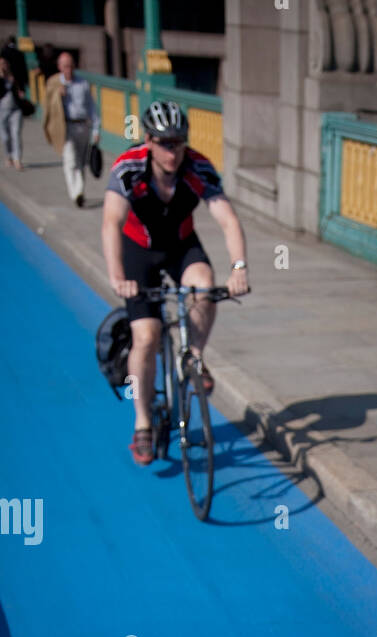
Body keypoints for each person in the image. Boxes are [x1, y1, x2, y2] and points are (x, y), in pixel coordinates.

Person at [101, 99, 250, 465]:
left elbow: (227, 219)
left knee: (204, 285)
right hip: (139, 251)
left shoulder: (197, 166)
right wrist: (118, 277)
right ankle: (142, 423)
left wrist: (239, 268)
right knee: (147, 336)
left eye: (180, 142)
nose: (174, 151)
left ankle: (193, 358)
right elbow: (110, 223)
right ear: (149, 141)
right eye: (166, 143)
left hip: (181, 245)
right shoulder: (128, 168)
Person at [42, 51, 99, 207]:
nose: (69, 69)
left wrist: (96, 129)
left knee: (81, 161)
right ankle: (76, 193)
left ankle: (80, 190)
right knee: (70, 160)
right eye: (65, 66)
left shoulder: (83, 83)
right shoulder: (54, 83)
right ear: (60, 67)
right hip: (65, 126)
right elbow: (47, 105)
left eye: (71, 65)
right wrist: (58, 96)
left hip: (83, 125)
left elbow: (92, 107)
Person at [0, 55, 23, 169]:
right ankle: (8, 156)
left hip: (16, 109)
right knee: (5, 136)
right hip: (2, 110)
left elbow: (21, 87)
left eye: (4, 63)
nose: (3, 66)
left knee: (16, 133)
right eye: (1, 64)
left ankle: (17, 159)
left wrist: (20, 91)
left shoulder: (14, 76)